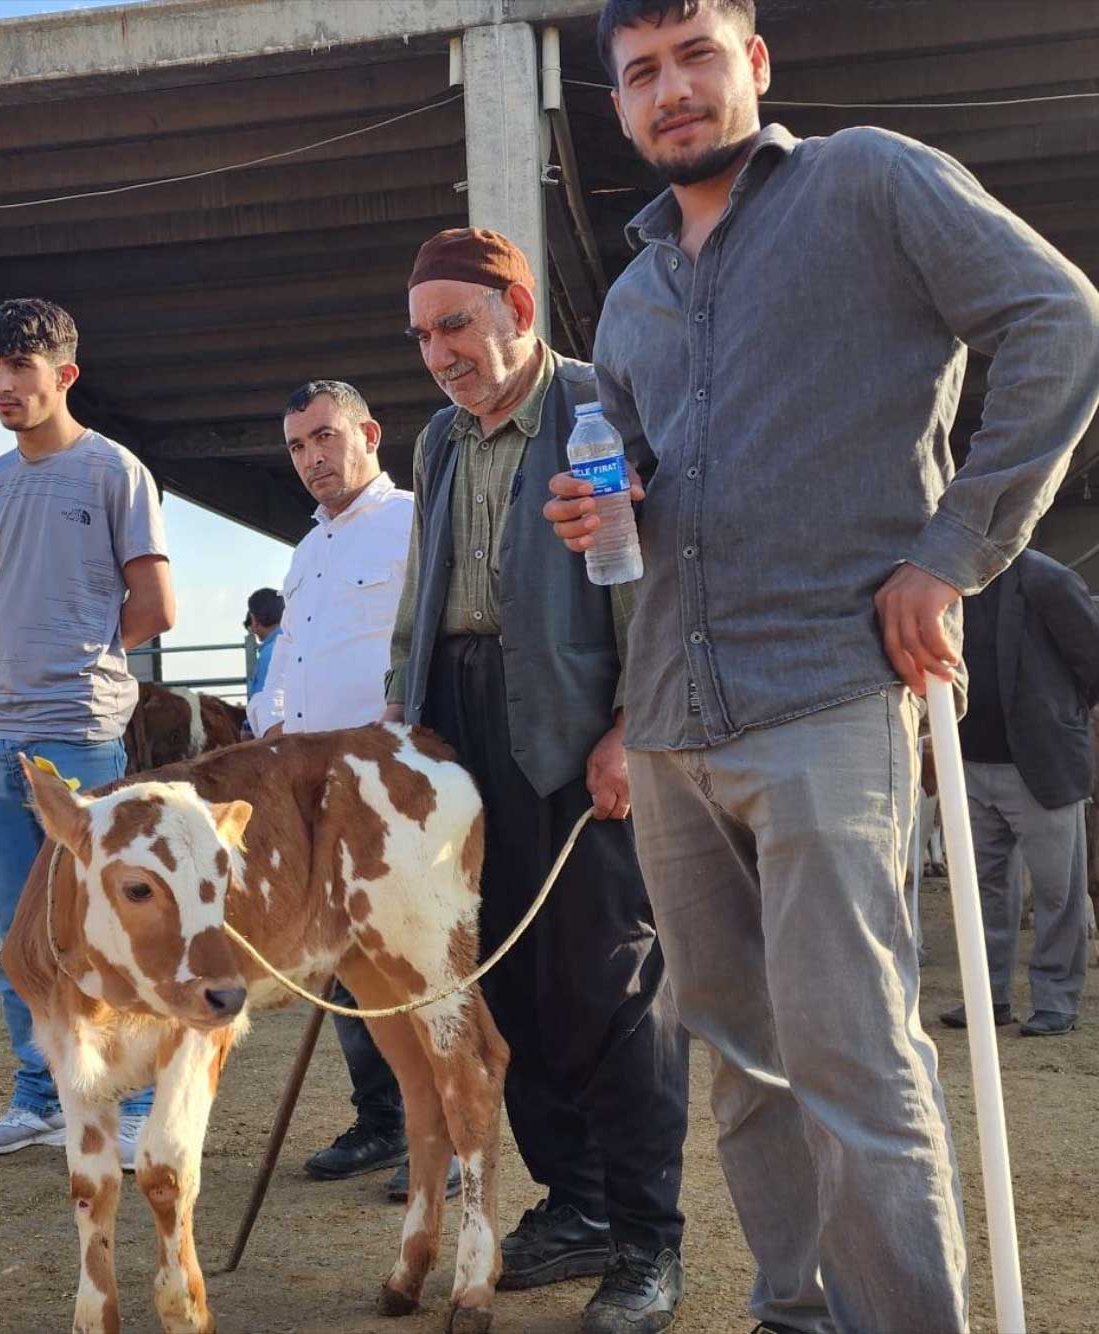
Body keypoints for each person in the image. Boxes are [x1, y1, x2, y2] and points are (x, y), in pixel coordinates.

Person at [543, 3, 1099, 1329]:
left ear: (754, 62)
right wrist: (603, 515)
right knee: (743, 1065)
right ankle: (793, 1311)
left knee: (852, 1057)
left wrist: (955, 551)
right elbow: (633, 501)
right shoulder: (627, 300)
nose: (670, 91)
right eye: (640, 75)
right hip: (679, 713)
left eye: (695, 56)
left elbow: (1062, 325)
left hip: (831, 687)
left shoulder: (868, 179)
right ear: (619, 105)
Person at [390, 227, 689, 1334]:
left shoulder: (592, 408)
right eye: (422, 333)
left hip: (570, 721)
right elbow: (425, 586)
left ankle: (645, 1243)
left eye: (455, 324)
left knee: (608, 986)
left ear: (516, 307)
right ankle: (571, 1202)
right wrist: (404, 710)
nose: (438, 352)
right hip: (460, 727)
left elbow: (639, 578)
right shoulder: (435, 439)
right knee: (504, 982)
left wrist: (627, 724)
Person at [0, 298, 174, 1165]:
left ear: (63, 374)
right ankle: (38, 1097)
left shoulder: (114, 471)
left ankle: (135, 1099)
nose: (3, 385)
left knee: (100, 928)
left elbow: (155, 607)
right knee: (17, 939)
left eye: (21, 369)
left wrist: (76, 659)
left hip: (74, 734)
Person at [247, 382, 434, 1198]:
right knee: (342, 963)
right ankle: (380, 1119)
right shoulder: (307, 549)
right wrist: (269, 725)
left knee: (415, 962)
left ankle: (447, 1136)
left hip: (390, 782)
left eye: (324, 438)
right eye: (297, 447)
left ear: (369, 432)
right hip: (308, 785)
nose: (312, 459)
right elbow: (288, 659)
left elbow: (431, 639)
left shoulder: (414, 522)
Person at [941, 551, 1099, 1038]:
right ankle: (988, 997)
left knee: (1057, 892)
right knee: (983, 892)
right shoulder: (944, 577)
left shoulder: (1048, 579)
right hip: (970, 762)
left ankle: (1056, 999)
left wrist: (1061, 711)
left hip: (1040, 764)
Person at [240, 588, 283, 737]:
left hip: (275, 731)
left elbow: (263, 697)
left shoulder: (269, 653)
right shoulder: (293, 643)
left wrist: (248, 727)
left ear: (254, 619)